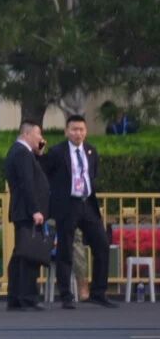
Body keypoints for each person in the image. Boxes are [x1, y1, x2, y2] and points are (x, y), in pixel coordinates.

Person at [42, 114, 114, 308]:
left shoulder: (91, 151)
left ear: (86, 131)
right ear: (66, 131)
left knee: (102, 244)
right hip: (67, 205)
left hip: (87, 203)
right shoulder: (57, 152)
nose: (78, 133)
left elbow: (93, 174)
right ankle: (66, 296)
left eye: (81, 129)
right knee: (65, 250)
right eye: (74, 129)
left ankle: (98, 292)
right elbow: (44, 171)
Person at [4, 122, 51, 310]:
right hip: (27, 212)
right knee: (28, 256)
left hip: (24, 211)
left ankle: (16, 296)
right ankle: (26, 297)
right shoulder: (22, 153)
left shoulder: (22, 153)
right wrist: (35, 210)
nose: (41, 138)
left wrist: (39, 154)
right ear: (27, 134)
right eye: (38, 134)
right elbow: (27, 183)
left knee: (21, 255)